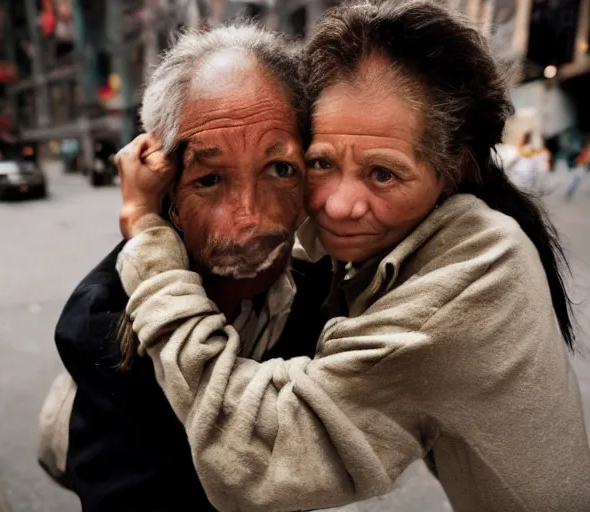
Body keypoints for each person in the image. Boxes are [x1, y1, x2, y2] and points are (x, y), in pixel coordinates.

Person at [113, 2, 590, 511]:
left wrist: (146, 233)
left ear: (453, 172)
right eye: (320, 163)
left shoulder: (471, 277)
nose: (337, 206)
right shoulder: (418, 232)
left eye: (383, 174)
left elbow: (257, 455)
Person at [41, 24, 327, 512]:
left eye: (280, 169)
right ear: (167, 193)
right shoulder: (104, 323)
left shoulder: (319, 290)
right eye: (210, 179)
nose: (249, 218)